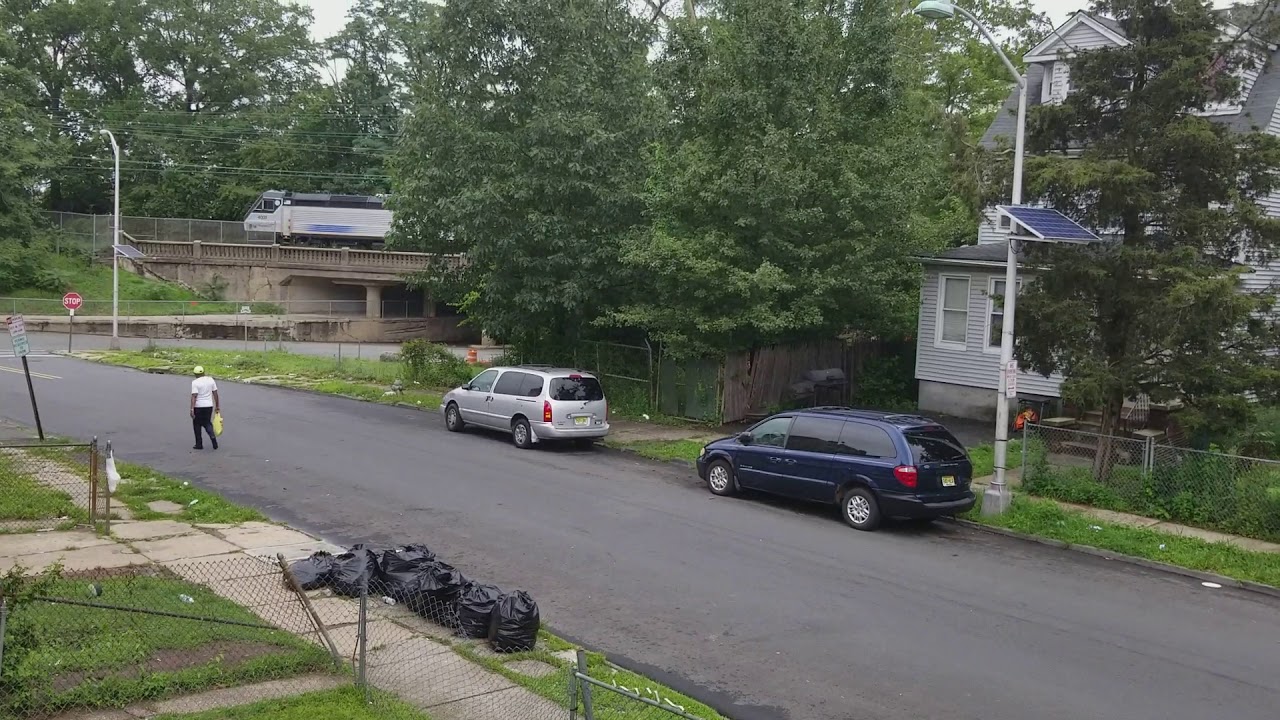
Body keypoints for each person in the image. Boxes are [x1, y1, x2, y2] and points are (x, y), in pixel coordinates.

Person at [190, 365, 220, 450]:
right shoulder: (210, 380)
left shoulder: (195, 382)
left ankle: (199, 444)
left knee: (197, 424)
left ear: (195, 374)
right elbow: (215, 393)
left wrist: (192, 409)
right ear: (203, 372)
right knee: (207, 423)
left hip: (198, 406)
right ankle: (212, 436)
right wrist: (217, 405)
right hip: (209, 406)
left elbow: (194, 396)